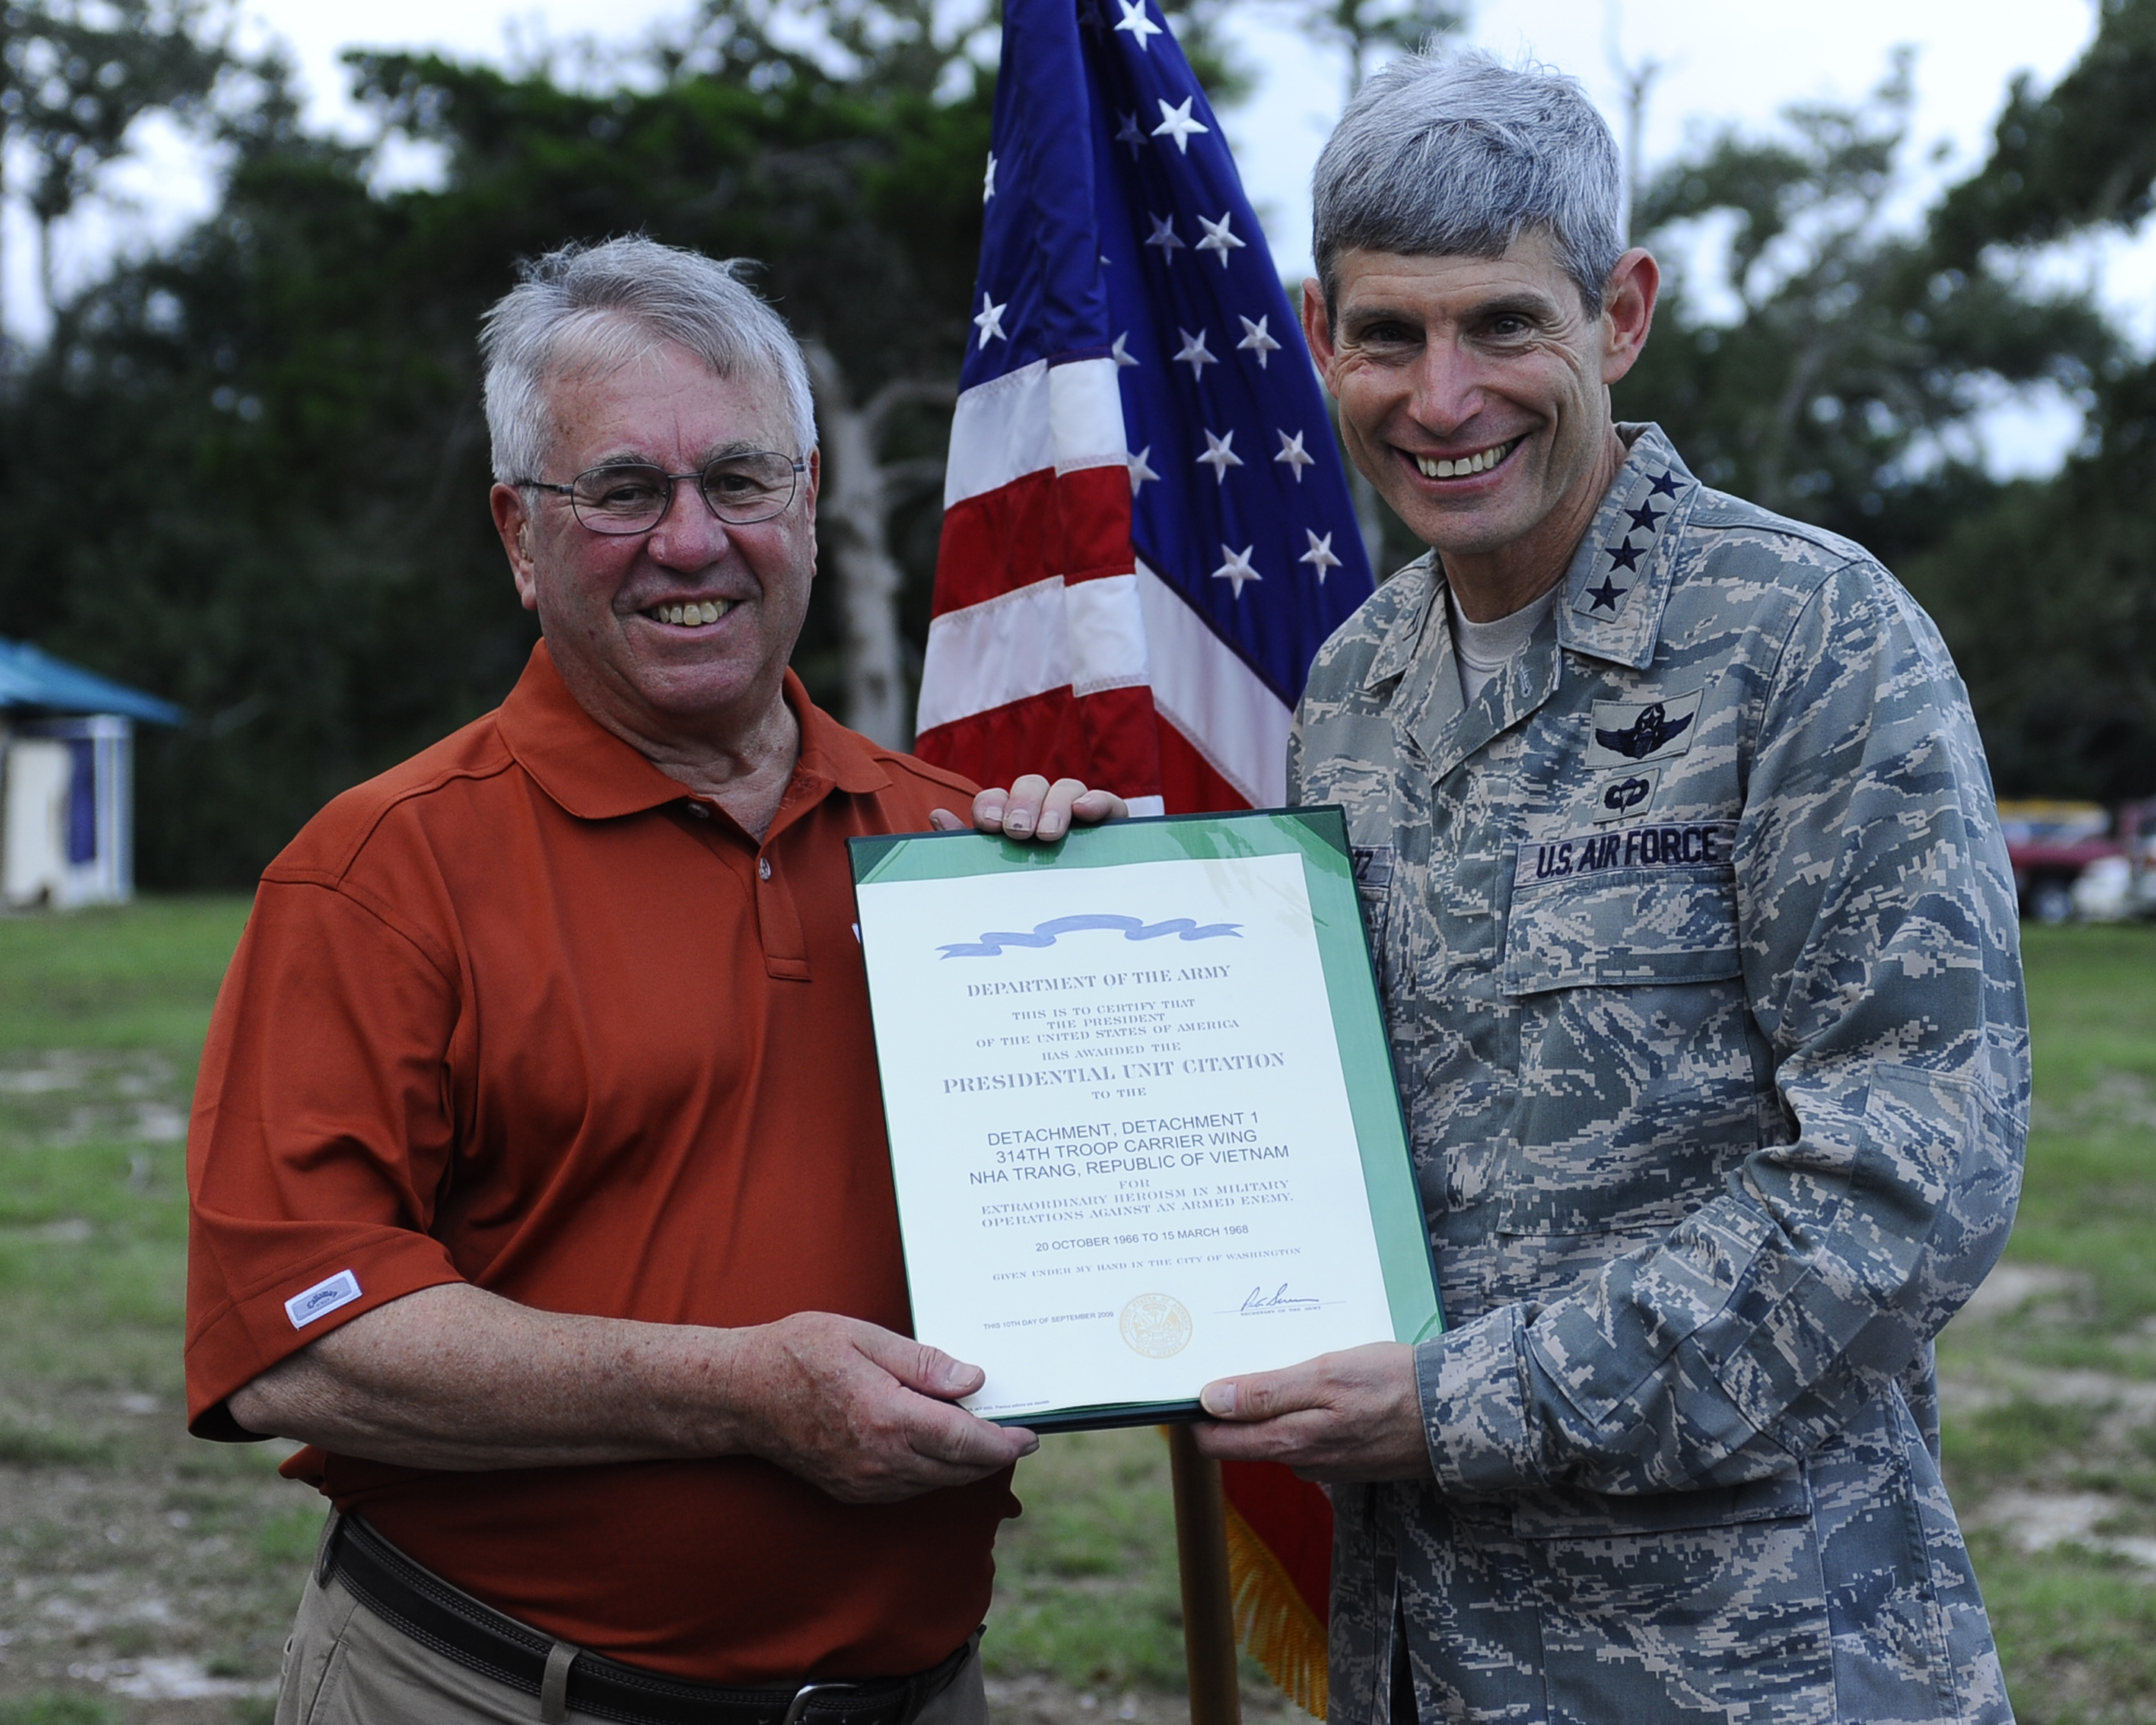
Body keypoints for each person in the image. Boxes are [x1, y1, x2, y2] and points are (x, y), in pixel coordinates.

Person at [1192, 52, 2027, 1725]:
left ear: (1620, 312)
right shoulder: (1352, 689)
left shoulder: (1810, 640)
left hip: (1753, 1655)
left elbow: (1911, 1175)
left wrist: (1464, 1405)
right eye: (1388, 335)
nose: (1442, 398)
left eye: (1503, 324)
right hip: (1421, 1654)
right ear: (1314, 336)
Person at [184, 236, 1120, 1725]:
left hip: (920, 1695)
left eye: (739, 481)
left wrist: (1141, 934)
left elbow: (1133, 1225)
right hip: (491, 1694)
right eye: (622, 491)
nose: (690, 542)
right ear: (516, 534)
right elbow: (299, 1348)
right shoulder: (380, 872)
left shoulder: (959, 855)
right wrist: (741, 1390)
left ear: (806, 503)